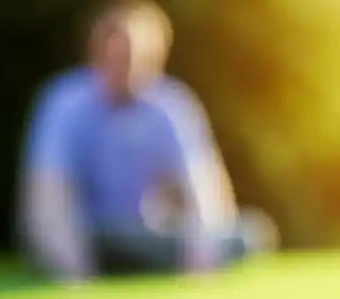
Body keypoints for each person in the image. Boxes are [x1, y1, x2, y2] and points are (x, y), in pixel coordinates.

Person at [19, 0, 275, 281]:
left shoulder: (172, 104)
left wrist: (200, 258)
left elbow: (204, 188)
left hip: (154, 234)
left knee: (251, 233)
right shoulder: (64, 102)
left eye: (135, 58)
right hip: (90, 234)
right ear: (96, 53)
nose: (126, 68)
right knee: (64, 233)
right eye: (117, 57)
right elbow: (48, 194)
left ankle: (162, 262)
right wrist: (76, 273)